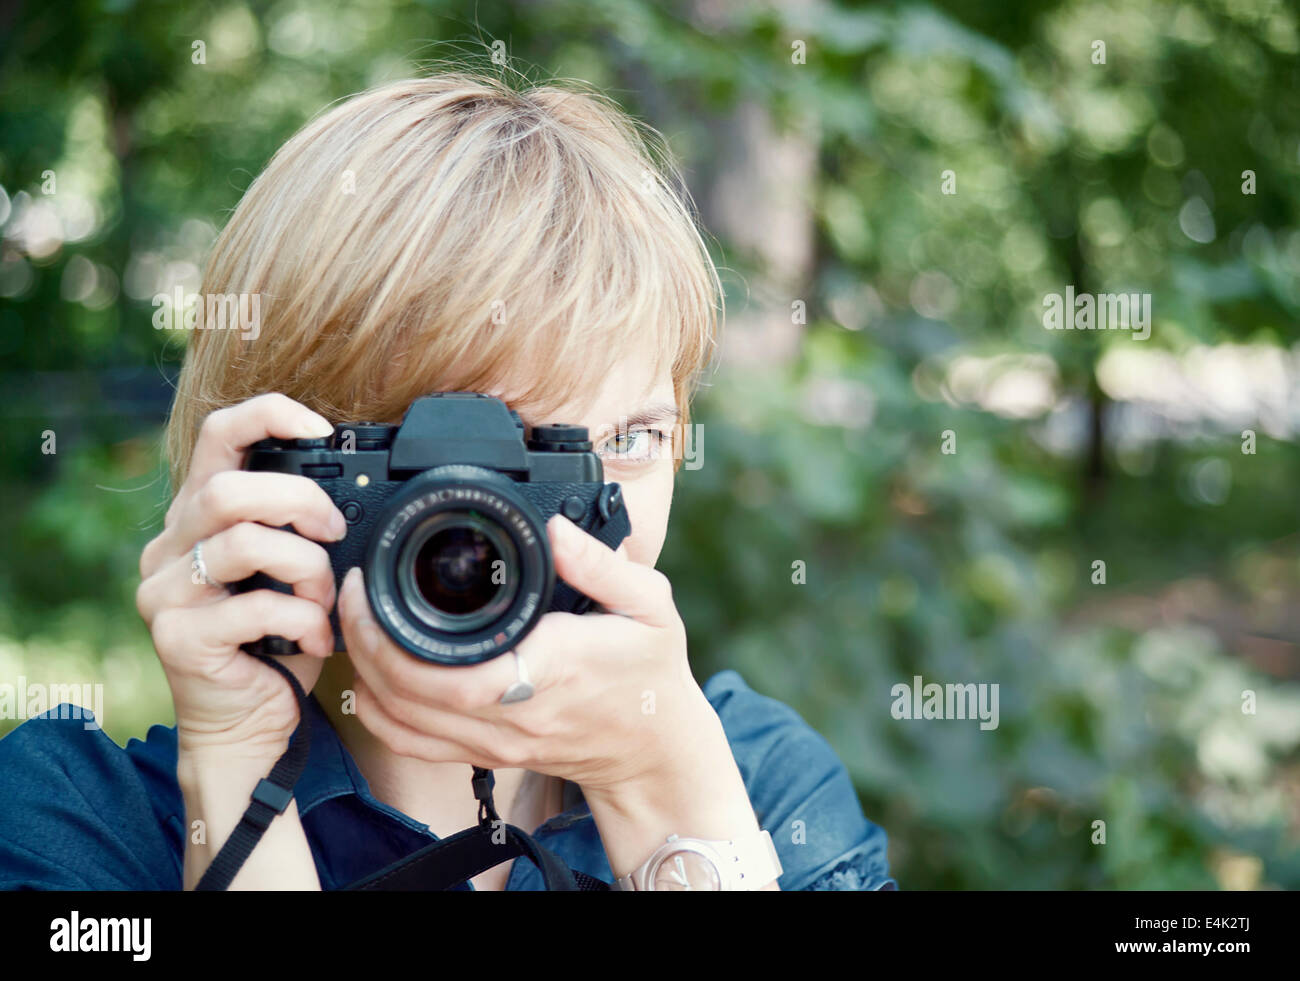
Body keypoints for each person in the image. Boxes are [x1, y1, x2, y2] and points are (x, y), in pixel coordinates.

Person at [0, 71, 896, 891]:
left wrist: (680, 820)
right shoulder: (77, 821)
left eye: (626, 438)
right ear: (264, 460)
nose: (531, 523)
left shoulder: (759, 780)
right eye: (469, 463)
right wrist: (235, 772)